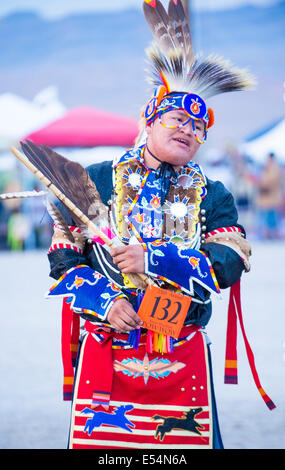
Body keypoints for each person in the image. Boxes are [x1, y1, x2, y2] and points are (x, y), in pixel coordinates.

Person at [43, 0, 274, 450]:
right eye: (177, 119)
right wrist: (105, 300)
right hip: (110, 342)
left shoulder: (215, 193)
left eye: (198, 127)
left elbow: (230, 261)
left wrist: (155, 258)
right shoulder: (97, 179)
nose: (188, 130)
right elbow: (62, 253)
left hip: (180, 348)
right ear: (149, 120)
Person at [256, 152, 283, 239]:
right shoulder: (267, 168)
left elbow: (269, 181)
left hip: (271, 197)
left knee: (271, 218)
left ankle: (272, 234)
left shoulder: (274, 168)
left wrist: (259, 182)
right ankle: (267, 234)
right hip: (266, 197)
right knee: (266, 217)